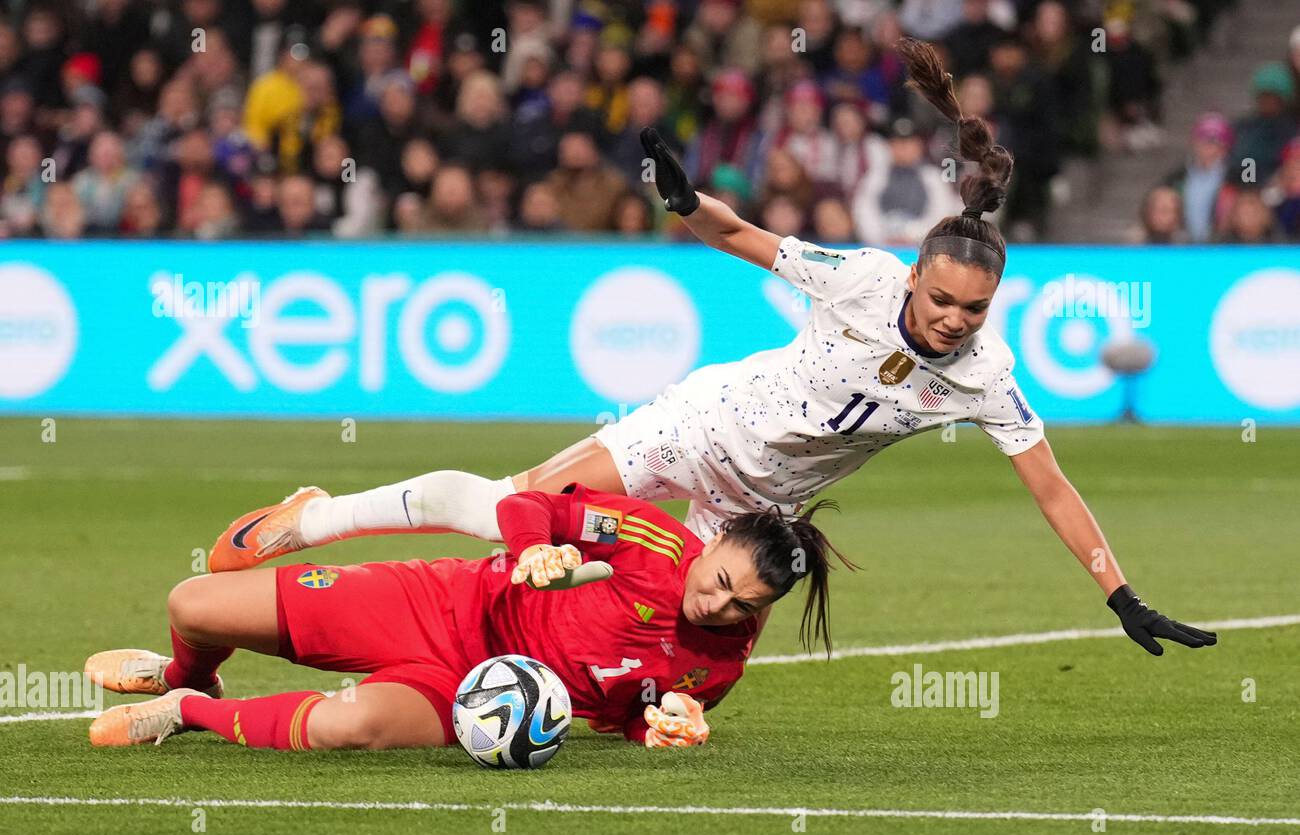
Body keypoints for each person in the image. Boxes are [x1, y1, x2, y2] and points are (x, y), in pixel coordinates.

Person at [206, 38, 1215, 659]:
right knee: (520, 514)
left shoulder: (986, 379)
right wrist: (683, 201)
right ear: (914, 276)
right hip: (696, 428)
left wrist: (1115, 588)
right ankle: (322, 516)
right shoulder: (861, 276)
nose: (954, 320)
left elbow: (1051, 487)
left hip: (756, 505)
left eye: (972, 310)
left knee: (702, 629)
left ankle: (645, 703)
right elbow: (745, 239)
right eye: (943, 299)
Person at [85, 486, 848, 751]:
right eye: (718, 582)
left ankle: (184, 712)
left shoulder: (717, 670)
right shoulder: (650, 539)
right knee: (193, 603)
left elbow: (625, 717)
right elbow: (526, 506)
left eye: (744, 606)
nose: (715, 605)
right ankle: (192, 675)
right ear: (710, 541)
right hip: (439, 603)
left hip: (473, 696)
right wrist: (531, 551)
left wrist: (662, 727)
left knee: (346, 730)